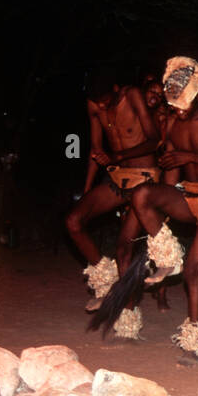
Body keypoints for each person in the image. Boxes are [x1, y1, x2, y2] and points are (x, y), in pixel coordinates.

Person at [89, 57, 198, 365]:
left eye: (183, 103)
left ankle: (194, 341)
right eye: (175, 103)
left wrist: (190, 156)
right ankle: (167, 256)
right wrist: (164, 203)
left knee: (195, 270)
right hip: (187, 196)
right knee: (143, 194)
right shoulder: (172, 123)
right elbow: (172, 175)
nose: (178, 109)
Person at [65, 69, 161, 315]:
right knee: (74, 221)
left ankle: (127, 317)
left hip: (144, 179)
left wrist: (119, 155)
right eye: (96, 101)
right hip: (118, 179)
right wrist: (87, 190)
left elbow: (154, 140)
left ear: (116, 90)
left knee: (123, 248)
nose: (100, 105)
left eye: (105, 100)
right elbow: (95, 152)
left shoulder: (133, 96)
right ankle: (105, 279)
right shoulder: (94, 106)